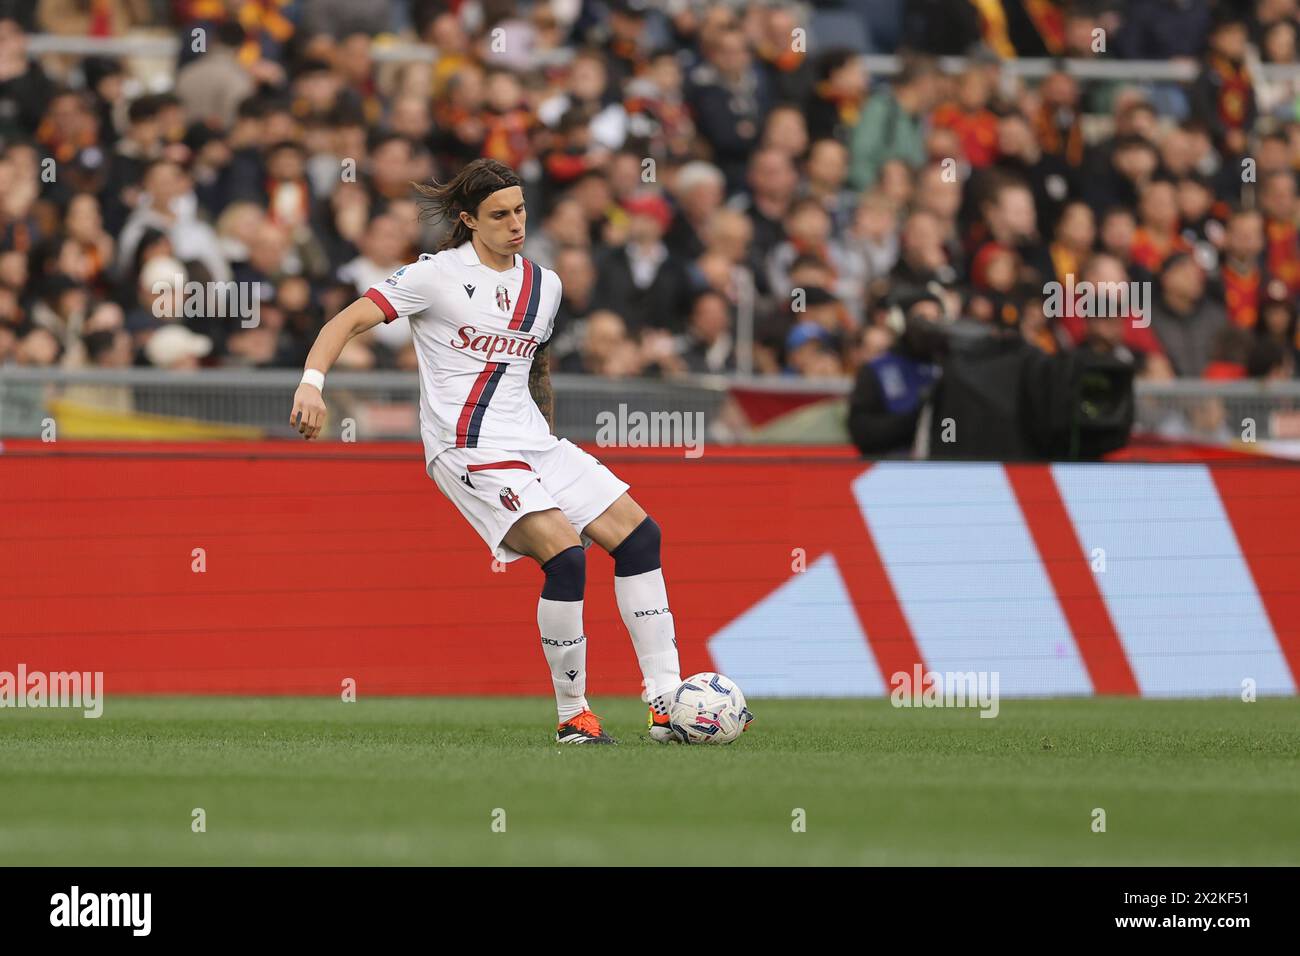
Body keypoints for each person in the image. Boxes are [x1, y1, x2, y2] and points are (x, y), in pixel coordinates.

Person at [290, 158, 746, 744]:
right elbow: (345, 322)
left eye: (520, 210)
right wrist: (312, 384)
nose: (515, 224)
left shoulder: (544, 284)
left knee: (641, 535)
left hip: (535, 444)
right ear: (469, 220)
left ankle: (665, 700)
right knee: (567, 557)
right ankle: (574, 714)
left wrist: (550, 447)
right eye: (500, 215)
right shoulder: (434, 276)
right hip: (467, 448)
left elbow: (535, 367)